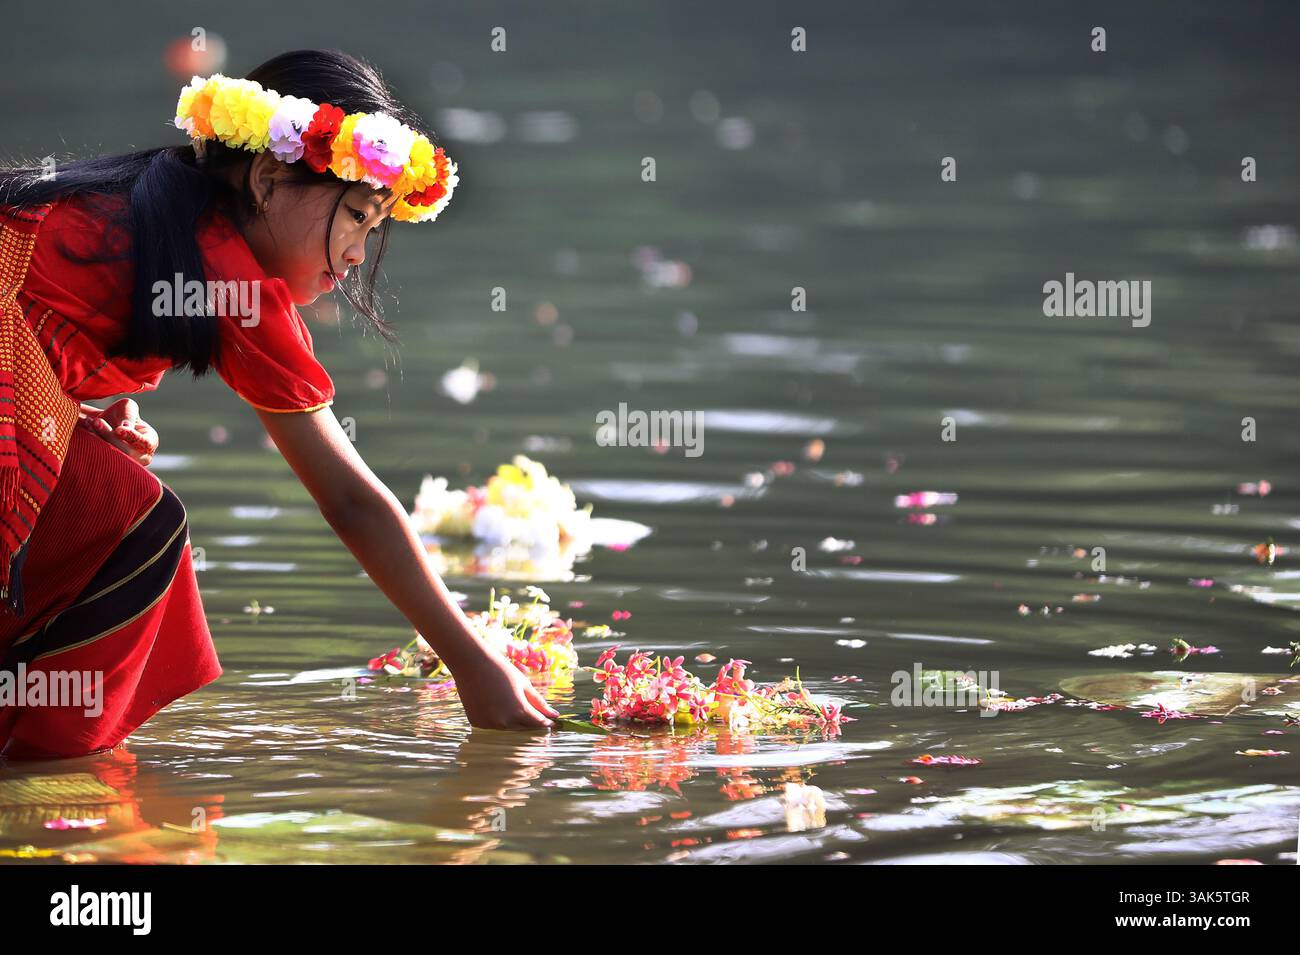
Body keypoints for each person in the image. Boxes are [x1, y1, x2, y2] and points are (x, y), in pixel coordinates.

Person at [0, 49, 559, 760]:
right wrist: (473, 663)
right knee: (134, 525)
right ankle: (48, 773)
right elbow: (350, 500)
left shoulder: (141, 207)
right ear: (266, 179)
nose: (358, 252)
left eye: (373, 228)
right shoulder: (226, 274)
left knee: (107, 497)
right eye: (356, 214)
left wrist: (61, 414)